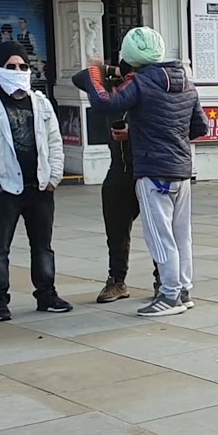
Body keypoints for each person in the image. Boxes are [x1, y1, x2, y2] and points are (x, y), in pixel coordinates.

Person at [72, 27, 210, 317]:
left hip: (152, 171)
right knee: (181, 235)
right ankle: (184, 291)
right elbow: (200, 128)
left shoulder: (142, 82)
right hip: (182, 170)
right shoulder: (186, 80)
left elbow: (104, 103)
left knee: (160, 237)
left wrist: (95, 73)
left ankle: (169, 295)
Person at [0, 41, 72, 321]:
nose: (18, 70)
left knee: (43, 245)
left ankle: (46, 293)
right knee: (0, 246)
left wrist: (54, 176)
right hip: (5, 189)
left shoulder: (41, 102)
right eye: (11, 66)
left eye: (23, 66)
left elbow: (54, 141)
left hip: (39, 186)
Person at [94, 62, 161, 304]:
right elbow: (83, 76)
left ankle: (162, 278)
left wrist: (133, 133)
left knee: (158, 231)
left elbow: (169, 126)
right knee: (117, 231)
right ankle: (117, 280)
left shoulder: (154, 91)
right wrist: (111, 71)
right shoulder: (115, 96)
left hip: (149, 170)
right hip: (119, 172)